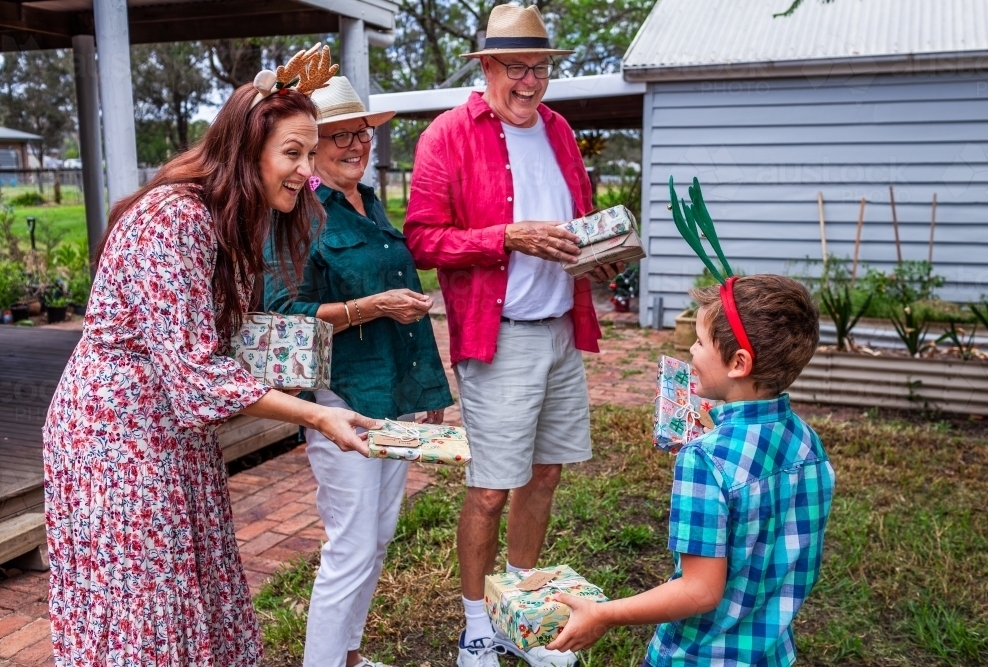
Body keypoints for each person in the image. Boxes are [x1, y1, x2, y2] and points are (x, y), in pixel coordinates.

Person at [42, 48, 378, 667]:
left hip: (169, 430)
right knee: (144, 605)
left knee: (190, 588)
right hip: (117, 437)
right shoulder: (178, 217)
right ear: (247, 151)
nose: (306, 169)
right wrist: (317, 416)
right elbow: (195, 372)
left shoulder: (221, 215)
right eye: (293, 153)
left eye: (311, 153)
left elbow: (208, 343)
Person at [404, 5, 623, 666]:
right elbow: (422, 237)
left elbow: (576, 222)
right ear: (489, 68)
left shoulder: (558, 130)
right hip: (499, 337)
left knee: (545, 474)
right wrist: (507, 236)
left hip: (560, 326)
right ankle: (476, 624)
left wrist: (601, 252)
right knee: (492, 487)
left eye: (542, 69)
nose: (531, 82)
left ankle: (518, 614)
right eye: (518, 69)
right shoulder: (447, 135)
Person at [546, 274, 836, 667]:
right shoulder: (808, 444)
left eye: (700, 342)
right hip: (769, 653)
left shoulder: (705, 459)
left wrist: (603, 613)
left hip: (696, 656)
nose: (691, 350)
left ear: (739, 363)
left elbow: (699, 592)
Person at [263, 77, 453, 667]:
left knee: (377, 537)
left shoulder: (369, 202)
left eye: (362, 134)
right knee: (349, 545)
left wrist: (428, 387)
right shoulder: (298, 214)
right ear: (310, 149)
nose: (355, 145)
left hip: (394, 389)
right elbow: (282, 312)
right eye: (337, 136)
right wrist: (369, 308)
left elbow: (406, 295)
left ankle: (347, 656)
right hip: (340, 396)